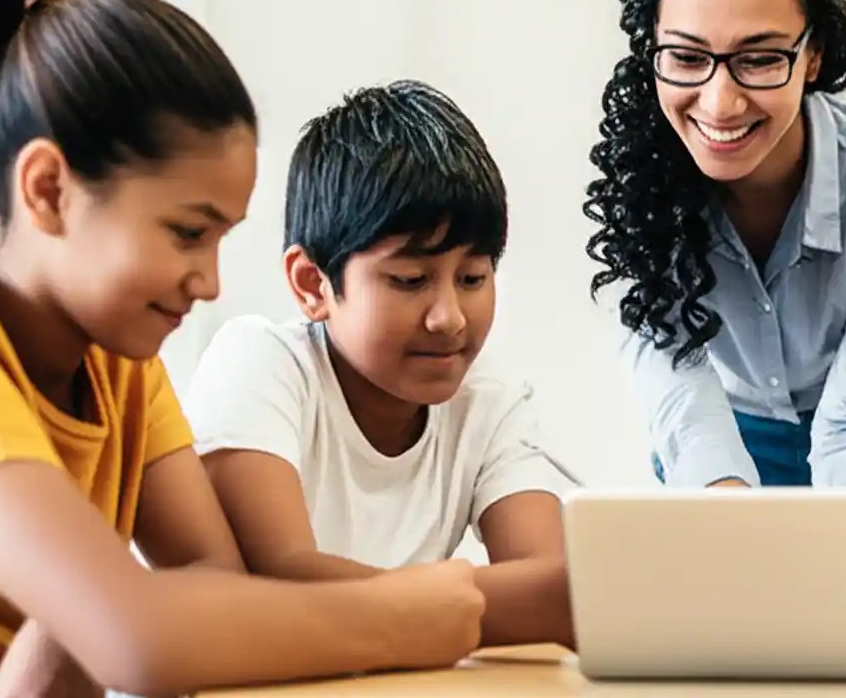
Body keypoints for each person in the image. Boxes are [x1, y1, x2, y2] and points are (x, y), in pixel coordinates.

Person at [0, 0, 484, 696]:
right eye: (189, 233)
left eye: (221, 238)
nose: (210, 282)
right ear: (47, 189)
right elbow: (145, 639)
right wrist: (399, 616)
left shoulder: (120, 367)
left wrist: (95, 612)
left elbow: (207, 580)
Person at [185, 80, 578, 649]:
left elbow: (555, 594)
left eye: (473, 278)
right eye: (410, 280)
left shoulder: (488, 398)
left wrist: (404, 607)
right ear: (311, 283)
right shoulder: (261, 363)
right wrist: (468, 604)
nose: (449, 318)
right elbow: (281, 577)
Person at [585, 0, 846, 488]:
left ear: (813, 56)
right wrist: (725, 502)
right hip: (725, 423)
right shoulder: (636, 184)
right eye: (685, 56)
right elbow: (688, 407)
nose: (720, 104)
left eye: (761, 59)